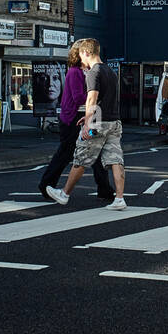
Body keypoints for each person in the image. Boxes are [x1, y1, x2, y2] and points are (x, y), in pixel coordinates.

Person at [46, 39, 127, 210]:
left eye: (81, 54)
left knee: (81, 157)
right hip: (114, 122)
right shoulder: (111, 72)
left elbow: (92, 98)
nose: (80, 59)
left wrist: (88, 123)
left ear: (86, 53)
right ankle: (119, 198)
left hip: (98, 123)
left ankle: (64, 194)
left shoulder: (93, 72)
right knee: (115, 160)